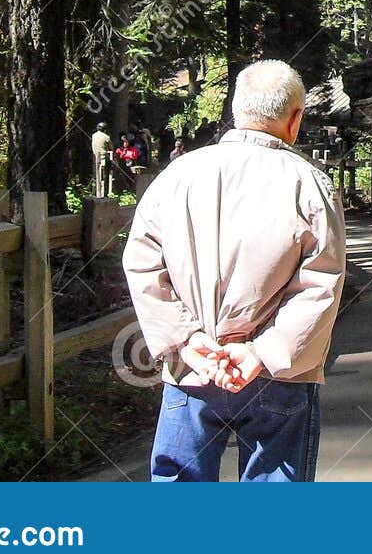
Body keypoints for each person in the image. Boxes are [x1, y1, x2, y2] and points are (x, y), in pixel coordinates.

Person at [123, 60, 345, 482]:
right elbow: (322, 283)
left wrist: (185, 339)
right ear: (295, 121)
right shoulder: (311, 184)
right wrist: (262, 351)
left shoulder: (177, 176)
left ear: (237, 108)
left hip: (194, 367)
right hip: (279, 375)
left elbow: (142, 260)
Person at [90, 122, 112, 197]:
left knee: (95, 175)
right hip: (103, 156)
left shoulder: (93, 135)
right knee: (107, 173)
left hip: (95, 157)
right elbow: (111, 147)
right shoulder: (106, 137)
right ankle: (105, 193)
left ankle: (94, 191)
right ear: (105, 129)